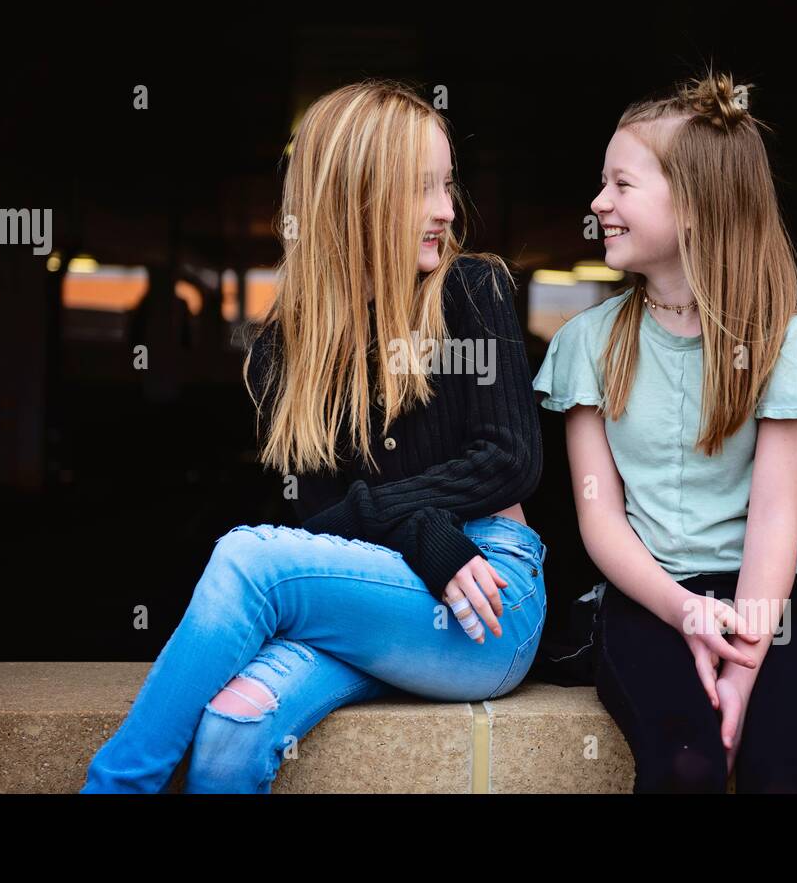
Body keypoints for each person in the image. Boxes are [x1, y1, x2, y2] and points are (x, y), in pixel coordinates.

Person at [81, 79, 546, 793]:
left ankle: (115, 787)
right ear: (355, 196)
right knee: (234, 726)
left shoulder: (472, 290)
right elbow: (320, 515)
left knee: (247, 558)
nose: (446, 211)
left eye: (448, 185)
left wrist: (412, 525)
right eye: (422, 189)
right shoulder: (283, 353)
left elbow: (510, 461)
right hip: (378, 600)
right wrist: (421, 526)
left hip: (487, 601)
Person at [533, 70, 797, 793]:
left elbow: (775, 520)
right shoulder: (588, 344)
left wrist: (743, 666)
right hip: (653, 597)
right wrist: (684, 613)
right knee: (687, 764)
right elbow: (600, 515)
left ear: (693, 205)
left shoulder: (789, 345)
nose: (598, 203)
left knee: (780, 770)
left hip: (773, 598)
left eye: (621, 185)